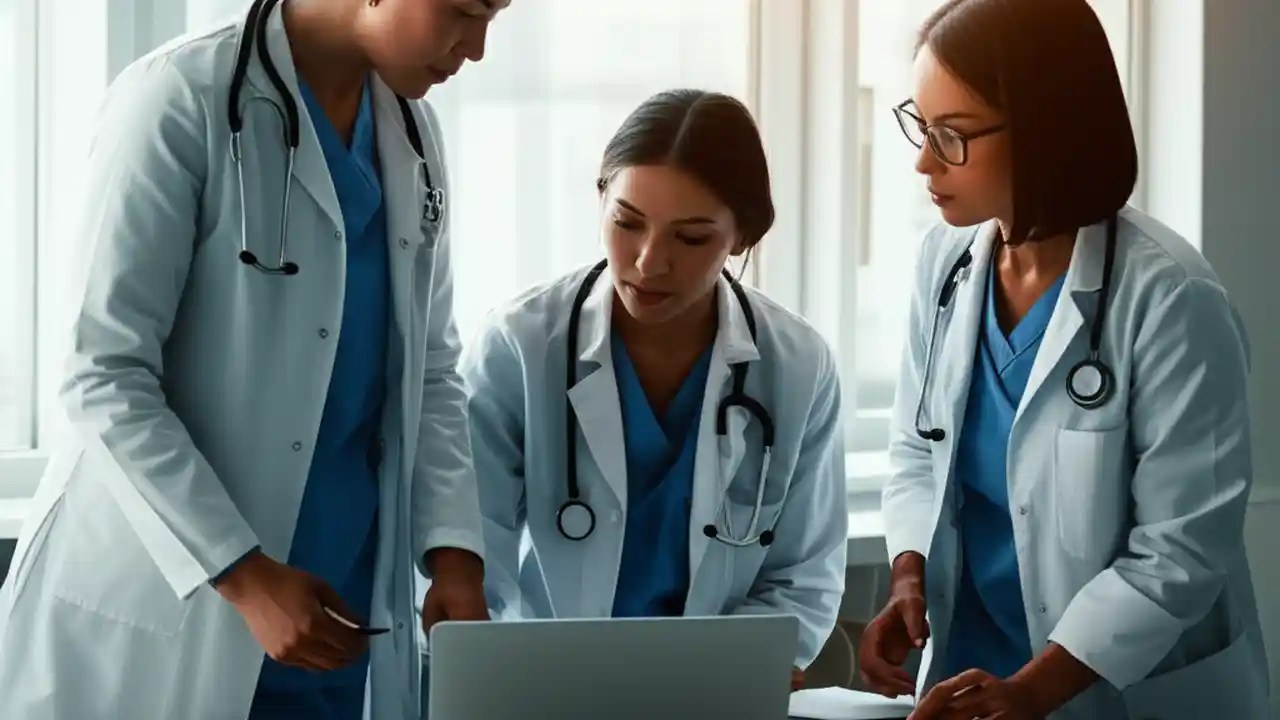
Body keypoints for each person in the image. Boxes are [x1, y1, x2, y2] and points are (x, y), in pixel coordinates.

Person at [0, 1, 510, 718]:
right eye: (463, 10)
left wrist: (455, 554)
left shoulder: (411, 132)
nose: (479, 47)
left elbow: (429, 367)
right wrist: (244, 576)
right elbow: (104, 376)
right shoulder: (178, 100)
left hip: (338, 609)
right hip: (175, 610)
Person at [858, 1, 1270, 718]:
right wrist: (908, 575)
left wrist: (1033, 691)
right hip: (972, 665)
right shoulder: (945, 263)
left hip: (1118, 689)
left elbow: (1179, 551)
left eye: (951, 136)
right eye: (921, 126)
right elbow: (917, 449)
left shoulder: (1172, 298)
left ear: (1047, 131)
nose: (923, 160)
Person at [462, 90, 848, 688]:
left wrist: (719, 677)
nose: (647, 262)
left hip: (711, 691)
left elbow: (804, 573)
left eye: (690, 238)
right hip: (545, 685)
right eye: (626, 223)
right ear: (600, 201)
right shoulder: (520, 345)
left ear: (742, 236)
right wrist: (529, 670)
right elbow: (468, 557)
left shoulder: (796, 365)